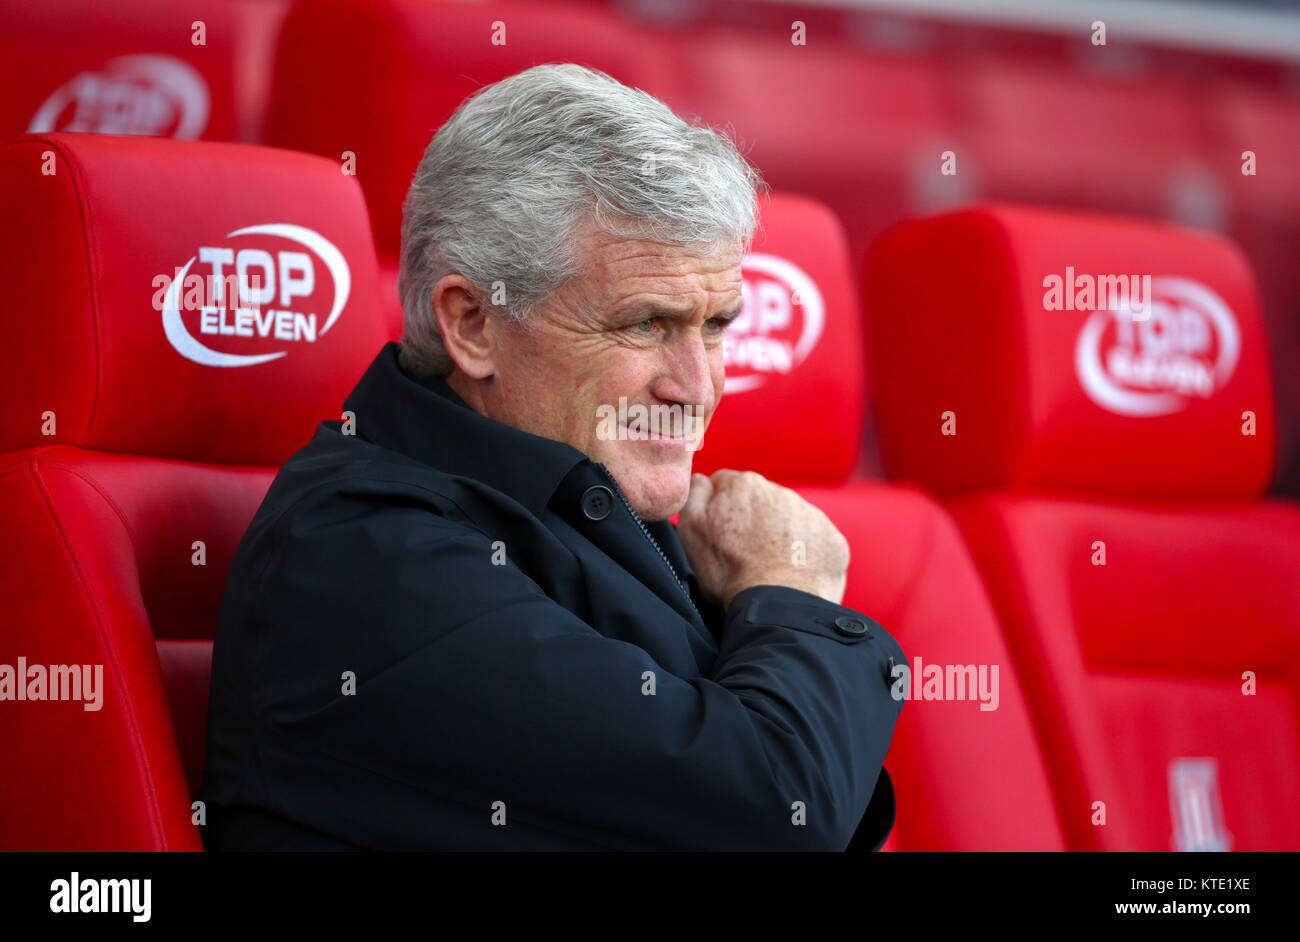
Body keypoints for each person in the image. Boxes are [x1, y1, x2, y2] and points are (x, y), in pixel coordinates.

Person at [200, 63, 905, 850]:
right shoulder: (366, 555)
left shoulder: (584, 499)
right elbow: (777, 815)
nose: (699, 388)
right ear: (473, 325)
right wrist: (793, 598)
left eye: (715, 327)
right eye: (645, 325)